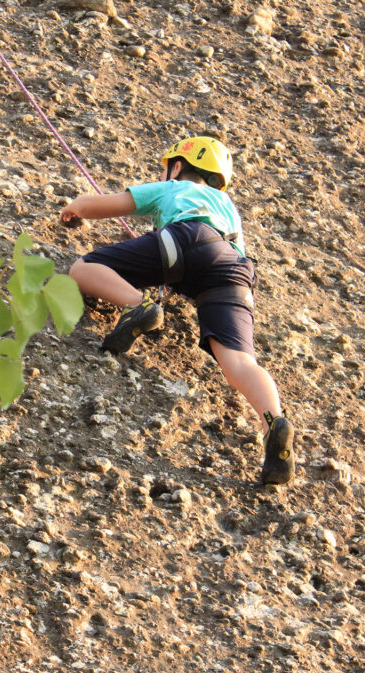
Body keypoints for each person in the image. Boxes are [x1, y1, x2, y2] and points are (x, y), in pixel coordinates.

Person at [60, 136, 295, 485]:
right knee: (240, 363)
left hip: (185, 239)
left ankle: (138, 307)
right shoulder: (228, 207)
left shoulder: (172, 187)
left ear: (179, 166)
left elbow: (107, 204)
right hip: (233, 268)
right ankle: (273, 422)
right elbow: (219, 261)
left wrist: (76, 207)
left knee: (81, 270)